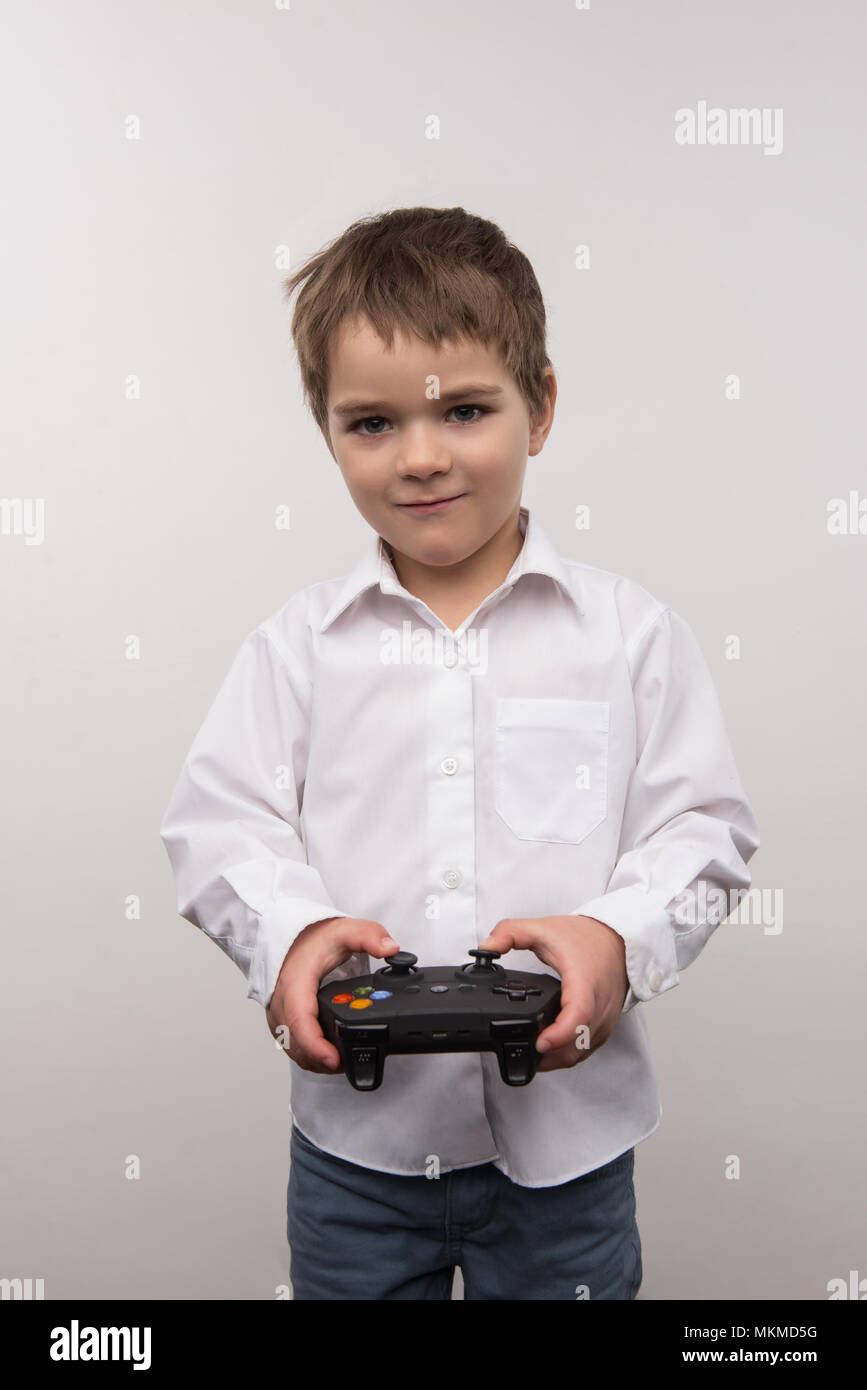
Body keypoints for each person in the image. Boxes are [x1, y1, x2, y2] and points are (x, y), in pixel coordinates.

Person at [159, 205, 760, 1300]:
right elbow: (219, 824)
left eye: (467, 409)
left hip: (567, 1154)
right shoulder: (296, 650)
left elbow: (702, 830)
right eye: (372, 423)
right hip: (358, 1150)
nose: (423, 456)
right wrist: (288, 936)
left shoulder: (630, 638)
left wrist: (616, 937)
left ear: (540, 407)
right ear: (326, 430)